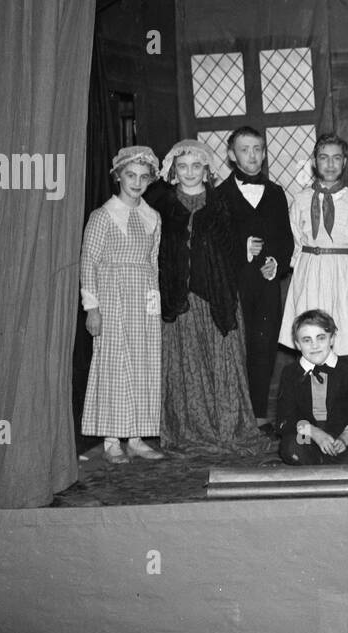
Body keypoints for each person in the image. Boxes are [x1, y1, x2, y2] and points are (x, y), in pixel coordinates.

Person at [147, 139, 265, 456]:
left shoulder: (221, 202)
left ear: (206, 169)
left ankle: (226, 427)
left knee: (223, 361)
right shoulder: (161, 204)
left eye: (196, 166)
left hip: (217, 296)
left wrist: (247, 252)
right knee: (186, 365)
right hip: (180, 298)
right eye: (183, 166)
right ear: (173, 169)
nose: (189, 172)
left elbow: (234, 246)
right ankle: (190, 430)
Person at [80, 146, 164, 463]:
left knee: (143, 367)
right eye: (131, 175)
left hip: (143, 300)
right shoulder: (102, 216)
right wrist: (93, 307)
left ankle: (137, 436)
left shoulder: (152, 217)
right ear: (118, 176)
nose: (137, 182)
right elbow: (88, 261)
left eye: (144, 177)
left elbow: (153, 263)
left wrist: (154, 304)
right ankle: (112, 440)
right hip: (113, 297)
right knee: (115, 367)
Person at [278, 132, 348, 357]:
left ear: (345, 162)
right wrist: (302, 268)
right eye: (323, 157)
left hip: (344, 272)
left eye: (336, 158)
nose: (330, 164)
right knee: (312, 330)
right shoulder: (301, 200)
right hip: (311, 271)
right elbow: (294, 239)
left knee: (345, 335)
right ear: (314, 162)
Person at [226, 126, 294, 427]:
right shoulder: (219, 196)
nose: (252, 155)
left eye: (257, 149)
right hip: (233, 284)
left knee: (263, 347)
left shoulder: (276, 192)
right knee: (235, 347)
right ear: (231, 155)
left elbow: (285, 239)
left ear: (264, 153)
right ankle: (234, 415)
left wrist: (276, 263)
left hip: (266, 284)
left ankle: (258, 415)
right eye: (244, 149)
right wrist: (242, 249)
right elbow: (212, 244)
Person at [275, 309, 348, 465]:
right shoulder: (290, 373)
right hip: (306, 434)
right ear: (297, 344)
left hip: (338, 437)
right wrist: (314, 433)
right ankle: (316, 463)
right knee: (292, 447)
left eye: (321, 338)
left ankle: (325, 464)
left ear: (332, 339)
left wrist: (345, 438)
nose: (314, 345)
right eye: (307, 340)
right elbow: (284, 419)